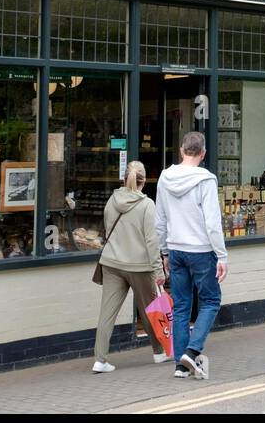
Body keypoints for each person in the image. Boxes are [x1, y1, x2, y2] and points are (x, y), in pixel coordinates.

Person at [155, 131, 228, 380]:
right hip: (201, 251)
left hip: (175, 250)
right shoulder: (206, 180)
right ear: (203, 153)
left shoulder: (165, 178)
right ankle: (192, 350)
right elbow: (212, 223)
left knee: (183, 306)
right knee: (210, 301)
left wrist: (164, 251)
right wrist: (222, 255)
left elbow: (160, 219)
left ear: (181, 151)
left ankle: (179, 365)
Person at [93, 161, 166, 373]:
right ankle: (159, 352)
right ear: (144, 181)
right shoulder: (146, 205)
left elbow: (107, 228)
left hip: (111, 263)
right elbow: (152, 241)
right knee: (149, 309)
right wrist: (159, 270)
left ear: (124, 179)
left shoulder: (112, 199)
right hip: (139, 266)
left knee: (106, 313)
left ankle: (100, 359)